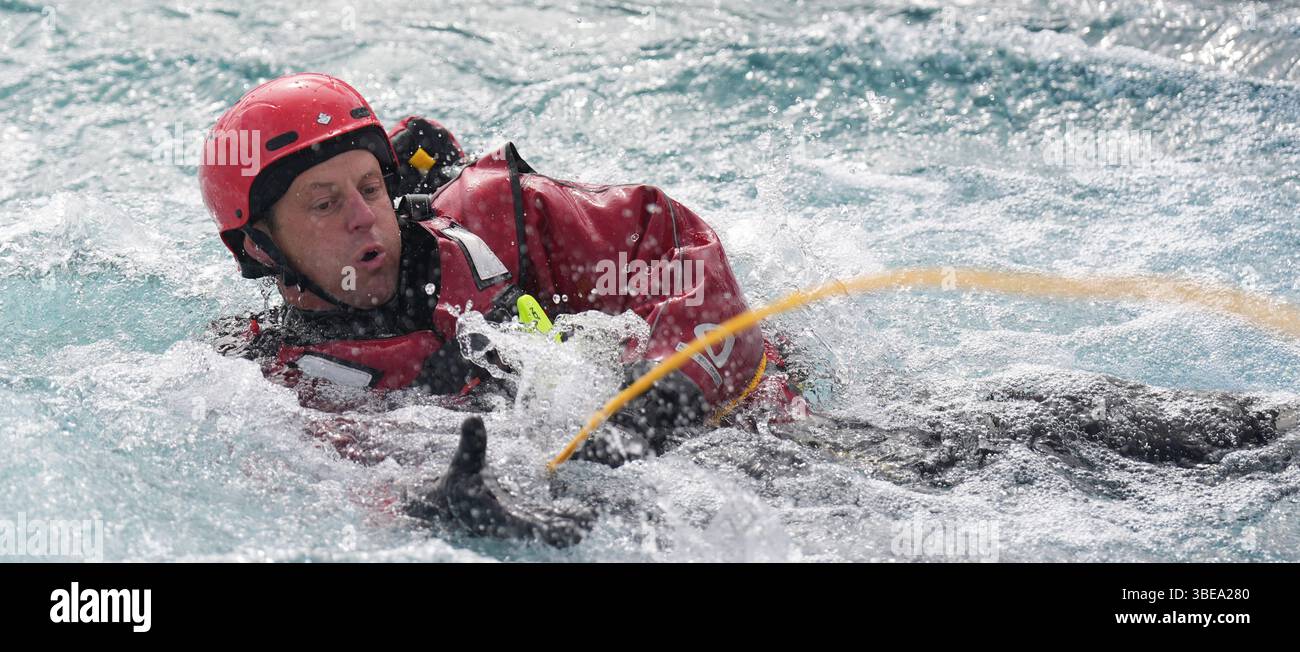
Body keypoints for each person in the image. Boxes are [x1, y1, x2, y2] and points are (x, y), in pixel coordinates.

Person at [201, 72, 804, 545]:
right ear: (259, 244)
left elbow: (670, 246)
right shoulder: (272, 385)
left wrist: (669, 392)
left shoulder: (500, 217)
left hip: (766, 429)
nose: (364, 215)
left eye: (369, 187)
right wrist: (432, 504)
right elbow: (329, 496)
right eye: (324, 204)